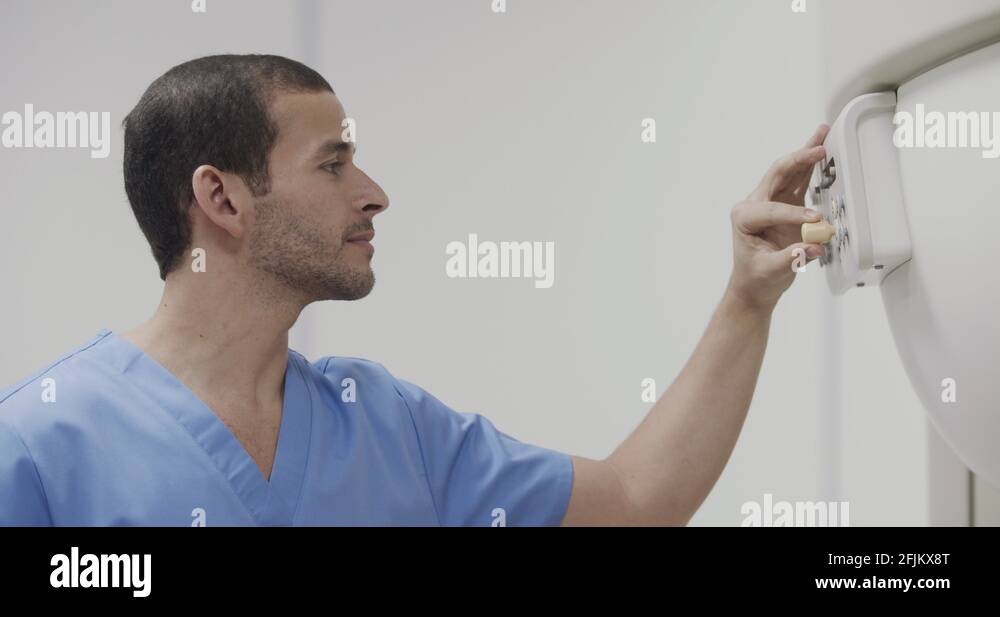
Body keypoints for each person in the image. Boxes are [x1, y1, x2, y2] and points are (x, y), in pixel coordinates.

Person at [0, 54, 828, 526]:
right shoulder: (39, 444)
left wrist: (747, 299)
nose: (374, 192)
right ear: (223, 200)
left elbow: (635, 504)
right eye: (333, 163)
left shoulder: (386, 424)